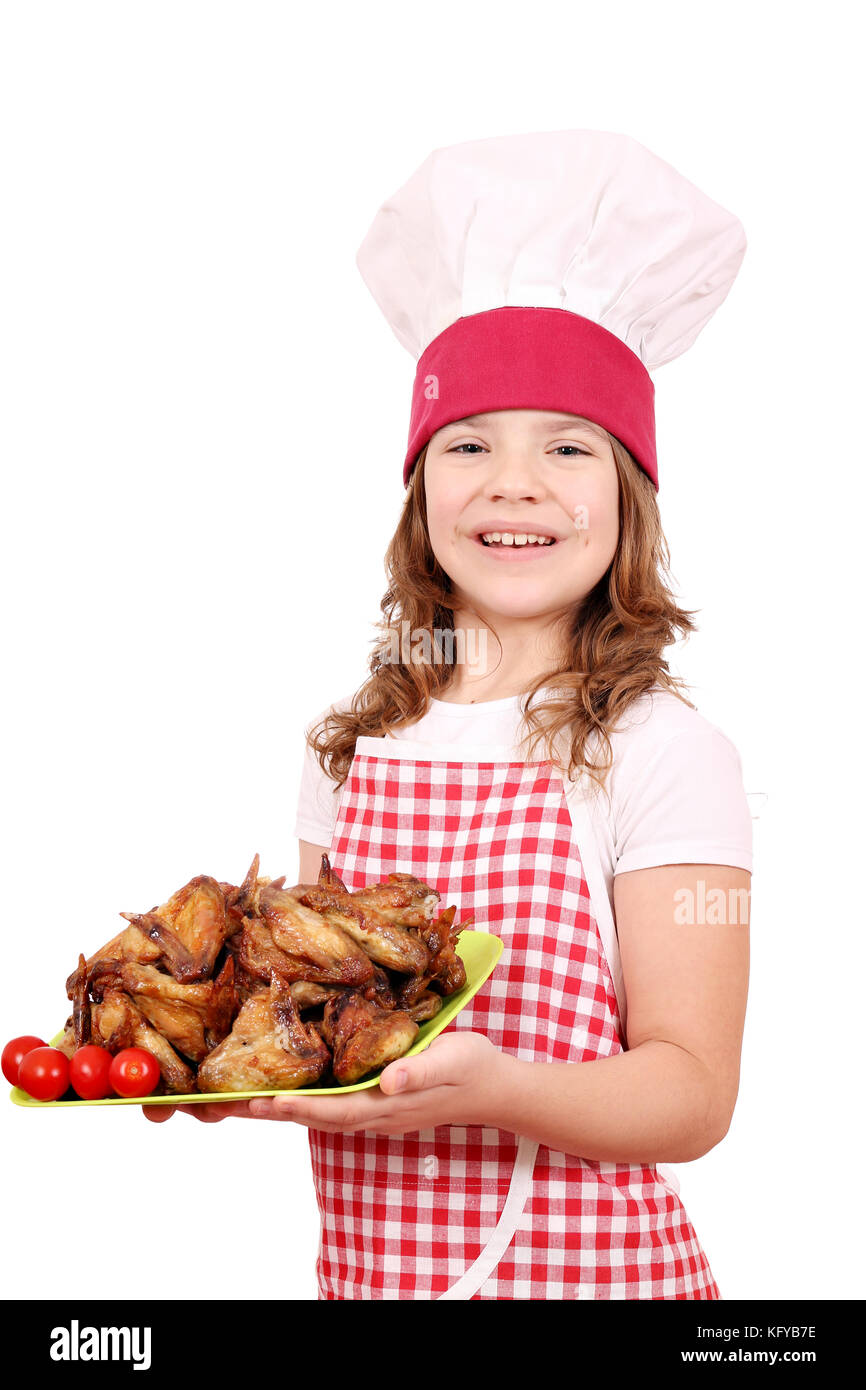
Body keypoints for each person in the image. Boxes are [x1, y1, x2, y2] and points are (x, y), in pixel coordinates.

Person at [145, 130, 753, 1302]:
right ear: (419, 491)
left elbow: (692, 1093)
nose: (511, 481)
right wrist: (211, 1064)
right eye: (467, 443)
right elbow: (306, 1021)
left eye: (566, 447)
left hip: (598, 1285)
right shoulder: (350, 745)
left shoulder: (662, 751)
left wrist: (500, 1088)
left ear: (626, 500)